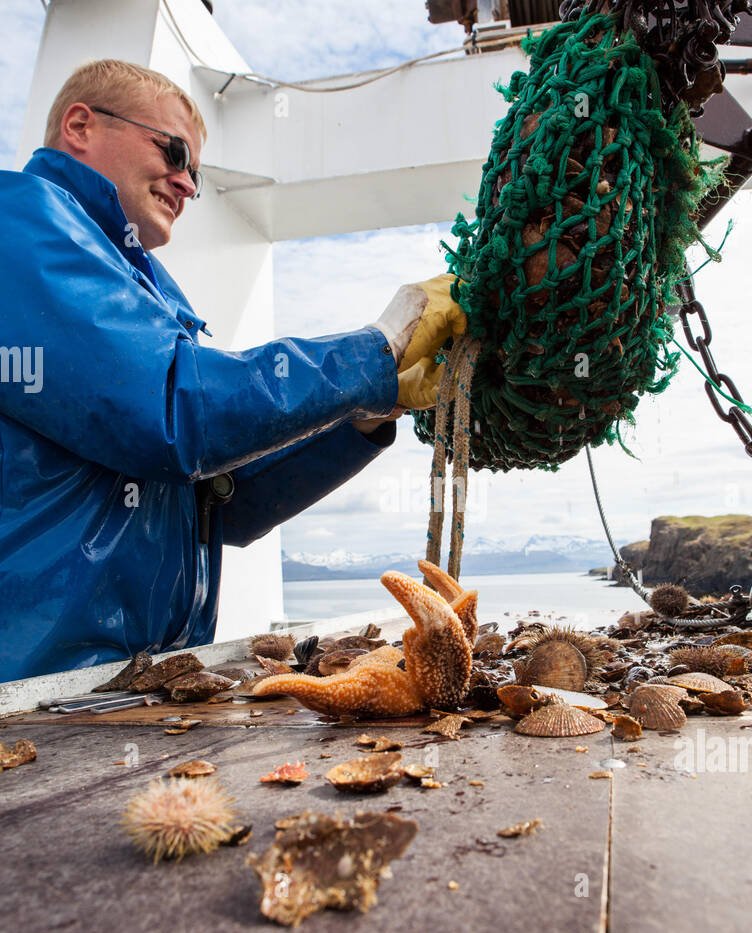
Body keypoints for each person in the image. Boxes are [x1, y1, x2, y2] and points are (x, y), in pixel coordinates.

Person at [0, 59, 461, 683]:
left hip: (134, 682)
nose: (188, 184)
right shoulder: (18, 224)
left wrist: (364, 416)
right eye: (174, 151)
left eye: (196, 170)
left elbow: (220, 503)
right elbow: (173, 412)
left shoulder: (148, 288)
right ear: (80, 125)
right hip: (30, 690)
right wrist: (374, 349)